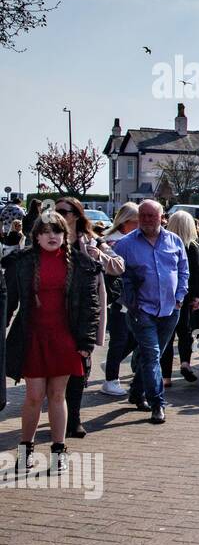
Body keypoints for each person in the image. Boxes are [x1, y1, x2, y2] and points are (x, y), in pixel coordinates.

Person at [4, 211, 100, 473]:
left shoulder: (79, 263)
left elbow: (91, 307)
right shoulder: (22, 262)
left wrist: (86, 340)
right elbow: (8, 300)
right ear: (36, 236)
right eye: (46, 231)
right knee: (33, 396)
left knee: (58, 396)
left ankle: (59, 451)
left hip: (64, 338)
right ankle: (25, 451)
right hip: (32, 336)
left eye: (57, 231)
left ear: (64, 234)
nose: (52, 236)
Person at [114, 200, 188, 424]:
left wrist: (179, 298)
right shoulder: (126, 244)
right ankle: (157, 403)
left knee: (150, 357)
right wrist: (128, 298)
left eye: (151, 216)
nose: (146, 220)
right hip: (141, 310)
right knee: (152, 355)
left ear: (161, 217)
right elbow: (116, 276)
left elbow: (184, 270)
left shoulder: (174, 241)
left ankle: (136, 392)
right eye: (142, 215)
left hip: (169, 309)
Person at [55, 197, 121, 438]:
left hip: (84, 311)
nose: (59, 214)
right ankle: (59, 414)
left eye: (64, 211)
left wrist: (99, 256)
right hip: (54, 311)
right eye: (57, 210)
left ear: (76, 215)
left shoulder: (92, 240)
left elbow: (119, 265)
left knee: (79, 366)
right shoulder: (47, 238)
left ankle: (74, 418)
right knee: (56, 368)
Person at [98, 203, 139, 397]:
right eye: (136, 221)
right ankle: (111, 379)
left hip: (131, 298)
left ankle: (111, 365)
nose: (140, 225)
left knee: (132, 338)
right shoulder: (113, 242)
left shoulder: (128, 239)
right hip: (118, 298)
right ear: (126, 222)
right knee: (120, 338)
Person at [159, 210, 199, 386]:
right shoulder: (192, 246)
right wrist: (197, 295)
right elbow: (197, 273)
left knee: (166, 335)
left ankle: (165, 377)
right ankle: (185, 363)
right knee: (185, 331)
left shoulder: (164, 244)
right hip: (186, 294)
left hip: (166, 294)